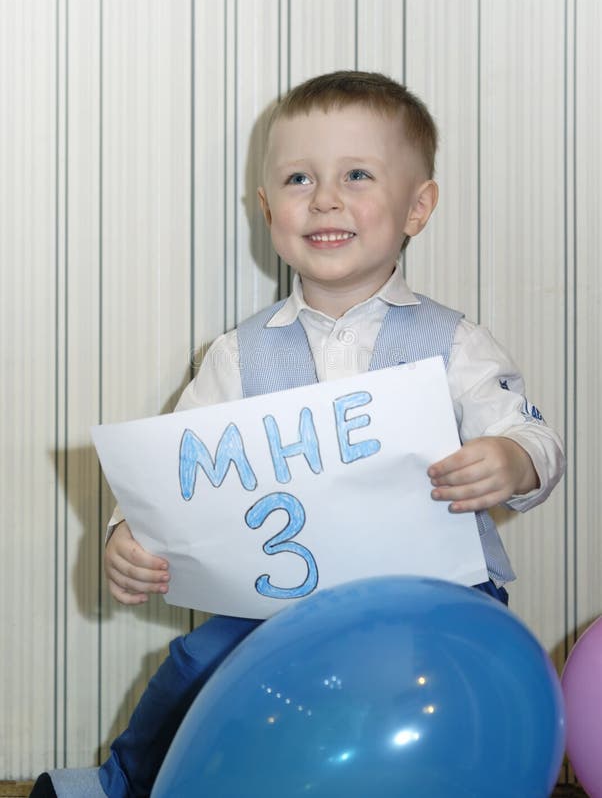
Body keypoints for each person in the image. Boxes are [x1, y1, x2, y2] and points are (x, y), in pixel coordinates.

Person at [31, 70, 565, 797]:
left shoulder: (456, 343)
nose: (325, 198)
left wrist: (511, 461)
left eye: (356, 174)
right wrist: (132, 536)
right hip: (277, 607)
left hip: (437, 602)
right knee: (193, 667)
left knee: (480, 681)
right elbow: (180, 472)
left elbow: (531, 436)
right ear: (265, 209)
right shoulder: (235, 355)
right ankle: (123, 782)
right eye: (297, 178)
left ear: (419, 206)